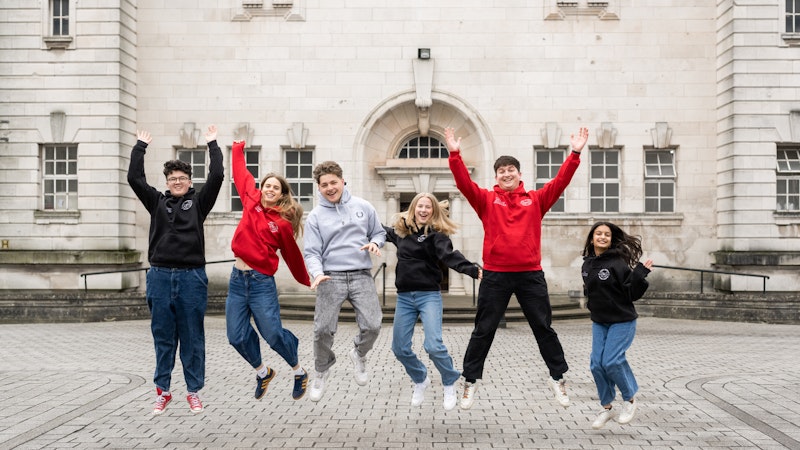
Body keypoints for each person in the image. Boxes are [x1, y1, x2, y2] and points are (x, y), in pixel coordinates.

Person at [444, 126, 589, 410]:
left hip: (529, 275)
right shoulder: (486, 200)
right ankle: (470, 381)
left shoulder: (535, 200)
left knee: (543, 327)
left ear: (519, 174)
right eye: (501, 171)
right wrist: (454, 154)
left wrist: (575, 153)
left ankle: (558, 377)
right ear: (496, 176)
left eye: (511, 170)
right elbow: (463, 184)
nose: (507, 174)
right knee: (483, 329)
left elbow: (560, 183)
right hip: (495, 274)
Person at [127, 125, 224, 415]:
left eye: (182, 178)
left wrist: (213, 144)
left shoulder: (198, 203)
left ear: (189, 181)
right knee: (163, 335)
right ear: (167, 182)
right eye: (172, 179)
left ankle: (193, 391)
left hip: (191, 276)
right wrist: (139, 147)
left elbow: (217, 176)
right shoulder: (157, 201)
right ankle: (163, 391)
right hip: (158, 276)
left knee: (192, 335)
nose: (177, 182)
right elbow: (134, 178)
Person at [225, 139, 312, 402]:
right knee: (235, 335)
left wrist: (309, 279)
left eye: (276, 187)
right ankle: (263, 372)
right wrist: (238, 148)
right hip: (237, 280)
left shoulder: (282, 224)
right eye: (267, 185)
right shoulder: (250, 200)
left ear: (282, 194)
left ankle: (299, 371)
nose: (270, 189)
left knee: (273, 334)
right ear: (261, 189)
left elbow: (292, 255)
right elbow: (241, 174)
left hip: (261, 282)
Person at [383, 193, 482, 411]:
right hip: (404, 298)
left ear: (434, 211)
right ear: (413, 209)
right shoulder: (401, 233)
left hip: (428, 296)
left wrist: (473, 271)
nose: (424, 210)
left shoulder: (437, 236)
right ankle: (420, 379)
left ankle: (449, 381)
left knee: (433, 346)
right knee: (399, 348)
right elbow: (377, 229)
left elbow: (449, 256)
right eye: (421, 206)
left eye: (428, 207)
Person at [303, 161, 387, 402]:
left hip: (361, 274)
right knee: (322, 329)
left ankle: (359, 353)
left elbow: (379, 232)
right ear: (318, 188)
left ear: (342, 181)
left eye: (333, 182)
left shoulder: (363, 206)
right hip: (330, 276)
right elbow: (311, 252)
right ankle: (322, 369)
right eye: (324, 185)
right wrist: (317, 273)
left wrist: (375, 243)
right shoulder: (316, 216)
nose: (330, 188)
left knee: (373, 324)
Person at [581, 221, 652, 429]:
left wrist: (640, 274)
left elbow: (631, 293)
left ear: (611, 240)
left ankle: (629, 400)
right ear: (592, 238)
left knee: (611, 361)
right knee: (596, 363)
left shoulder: (618, 263)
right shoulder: (586, 264)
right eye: (598, 234)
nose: (602, 237)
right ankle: (607, 408)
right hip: (600, 321)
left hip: (622, 320)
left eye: (607, 235)